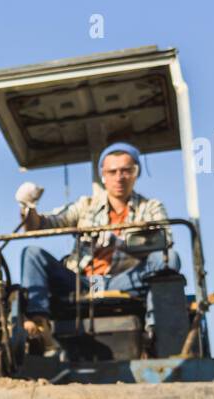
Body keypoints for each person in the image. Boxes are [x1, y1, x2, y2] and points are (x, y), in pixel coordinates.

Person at [15, 142, 179, 354]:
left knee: (168, 259)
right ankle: (41, 329)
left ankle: (155, 333)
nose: (119, 177)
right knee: (32, 254)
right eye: (113, 171)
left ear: (136, 173)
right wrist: (27, 207)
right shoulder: (86, 206)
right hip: (87, 282)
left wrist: (120, 243)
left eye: (126, 171)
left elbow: (164, 239)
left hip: (126, 280)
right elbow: (40, 225)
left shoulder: (150, 208)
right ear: (103, 175)